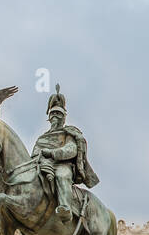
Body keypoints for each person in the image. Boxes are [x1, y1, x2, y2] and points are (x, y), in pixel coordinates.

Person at [31, 85, 99, 223]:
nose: (55, 116)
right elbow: (34, 153)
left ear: (63, 117)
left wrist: (52, 153)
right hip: (42, 165)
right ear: (49, 118)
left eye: (58, 114)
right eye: (53, 114)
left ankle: (65, 208)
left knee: (62, 176)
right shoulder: (42, 138)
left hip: (62, 165)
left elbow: (71, 150)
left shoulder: (69, 132)